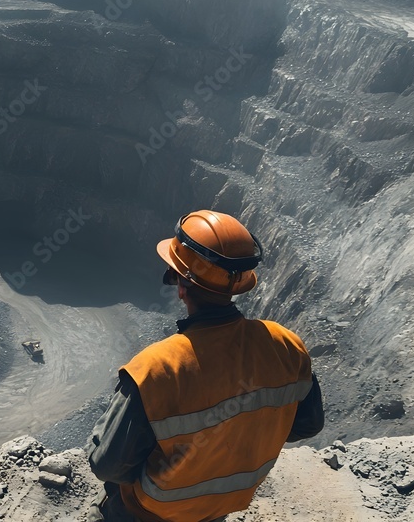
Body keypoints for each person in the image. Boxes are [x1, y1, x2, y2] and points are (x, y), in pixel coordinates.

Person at [87, 210, 324, 522]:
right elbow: (308, 424)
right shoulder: (287, 347)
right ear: (238, 285)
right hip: (221, 507)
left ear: (183, 287)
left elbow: (107, 464)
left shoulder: (157, 370)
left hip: (153, 510)